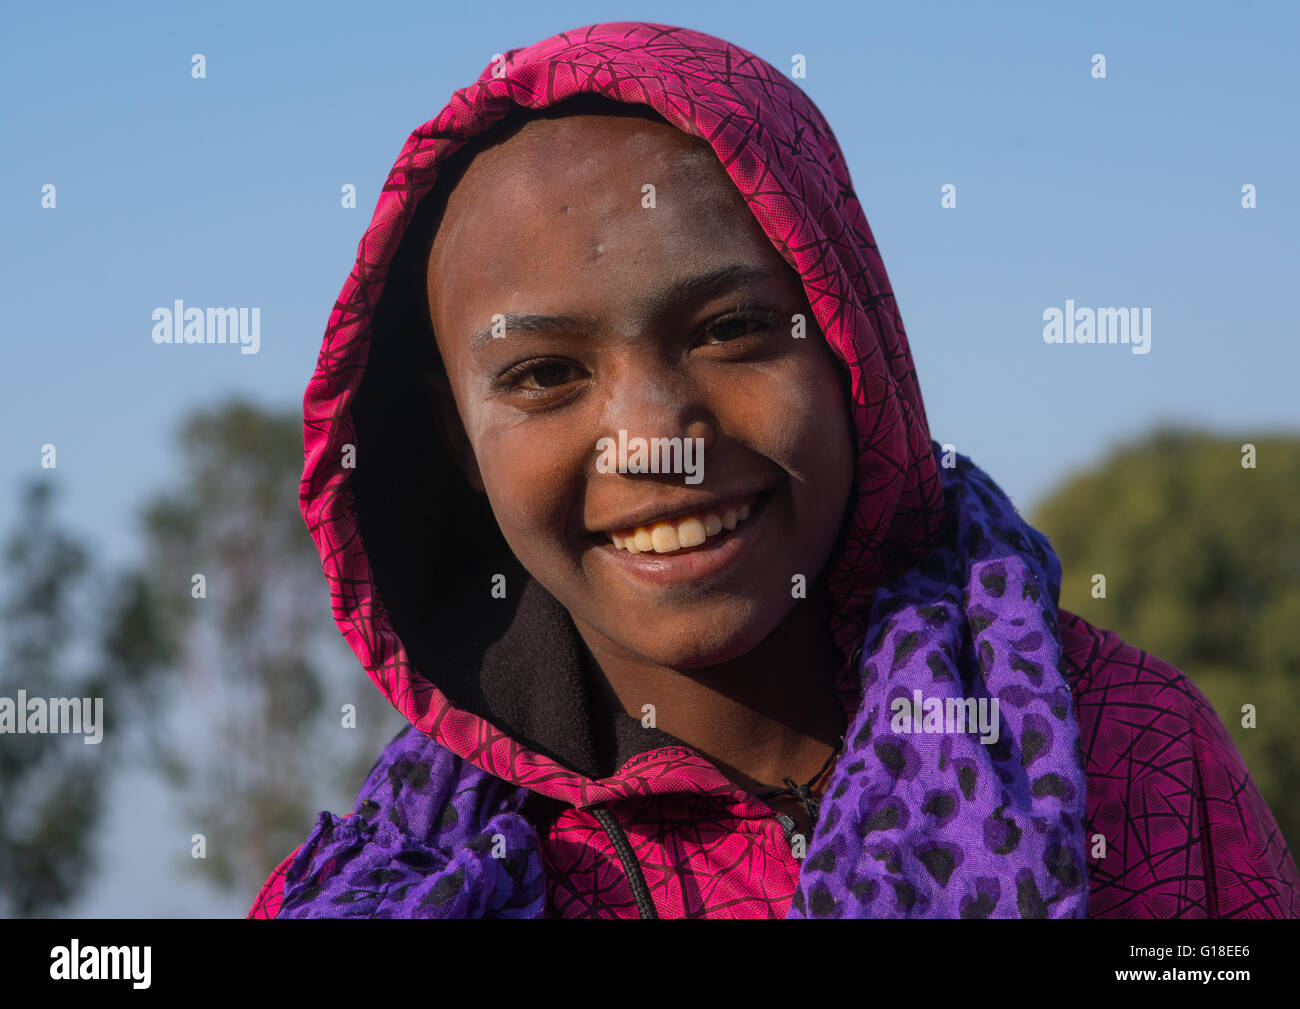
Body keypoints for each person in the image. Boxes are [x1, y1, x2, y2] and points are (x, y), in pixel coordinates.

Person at [247, 21, 1298, 918]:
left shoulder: (1124, 756)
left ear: (850, 339)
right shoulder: (385, 882)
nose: (654, 436)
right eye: (545, 373)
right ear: (455, 443)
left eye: (733, 327)